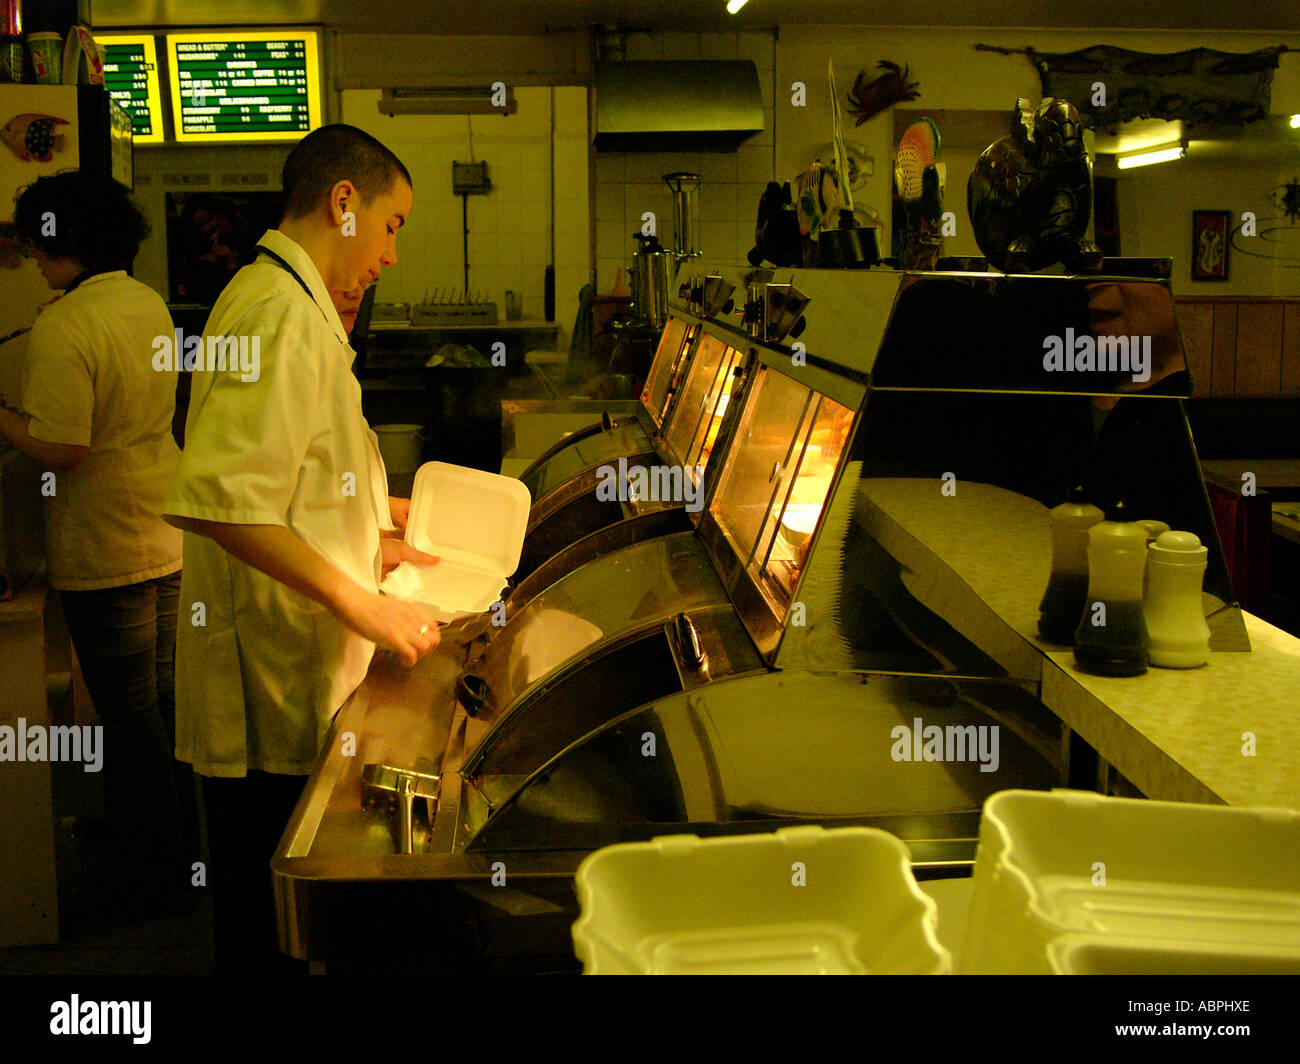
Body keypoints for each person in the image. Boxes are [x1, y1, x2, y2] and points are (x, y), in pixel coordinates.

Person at [162, 125, 438, 971]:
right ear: (343, 202)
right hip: (271, 680)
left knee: (281, 916)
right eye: (392, 226)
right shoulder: (280, 313)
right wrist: (361, 600)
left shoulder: (292, 306)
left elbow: (294, 480)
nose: (390, 256)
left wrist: (379, 522)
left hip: (297, 664)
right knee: (265, 925)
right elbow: (221, 502)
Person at [0, 172, 194, 919]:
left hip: (105, 545)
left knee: (129, 717)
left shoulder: (64, 325)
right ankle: (176, 853)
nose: (32, 261)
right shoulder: (143, 302)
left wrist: (4, 416)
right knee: (163, 711)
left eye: (36, 245)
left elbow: (61, 447)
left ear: (67, 241)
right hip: (166, 527)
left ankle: (151, 874)